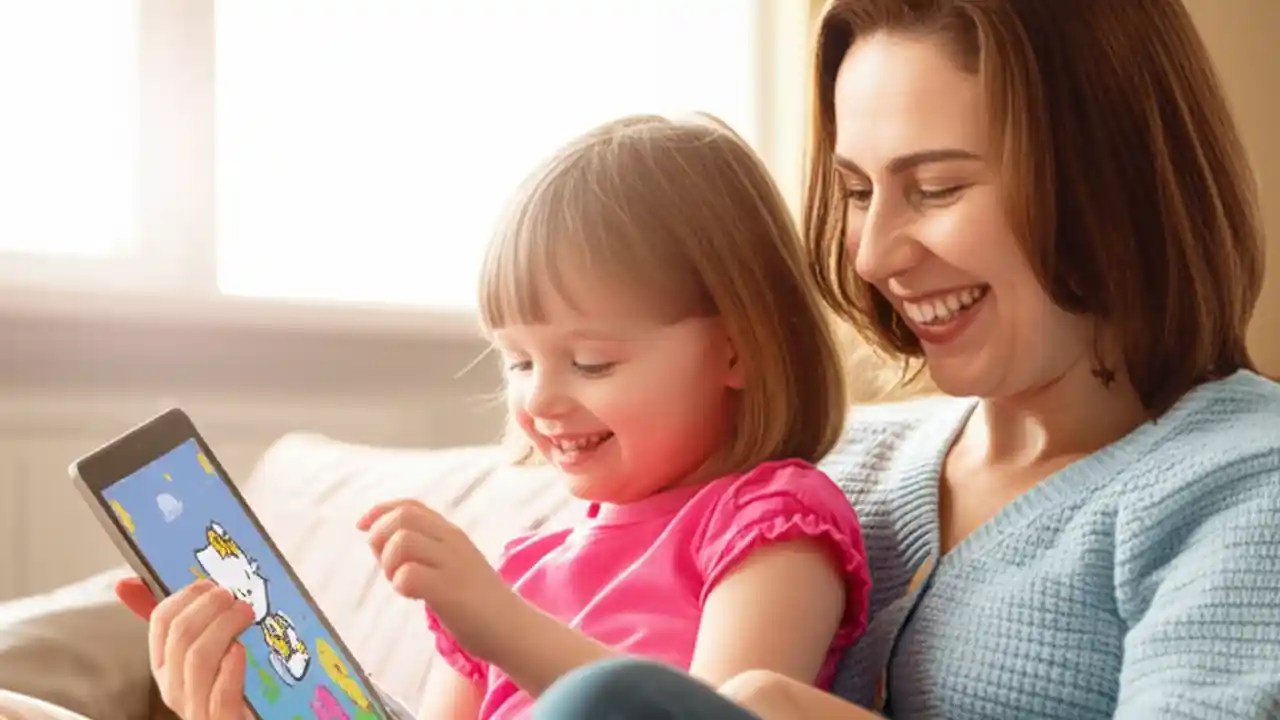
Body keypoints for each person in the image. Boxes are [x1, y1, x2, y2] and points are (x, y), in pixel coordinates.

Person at [528, 0, 1280, 718]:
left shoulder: (1244, 482)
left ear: (1112, 180)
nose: (874, 254)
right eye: (856, 191)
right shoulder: (827, 470)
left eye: (936, 188)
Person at [115, 113, 874, 720]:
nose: (540, 400)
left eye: (591, 362)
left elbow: (710, 716)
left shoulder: (770, 519)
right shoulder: (523, 571)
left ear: (736, 351)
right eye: (517, 361)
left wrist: (494, 619)